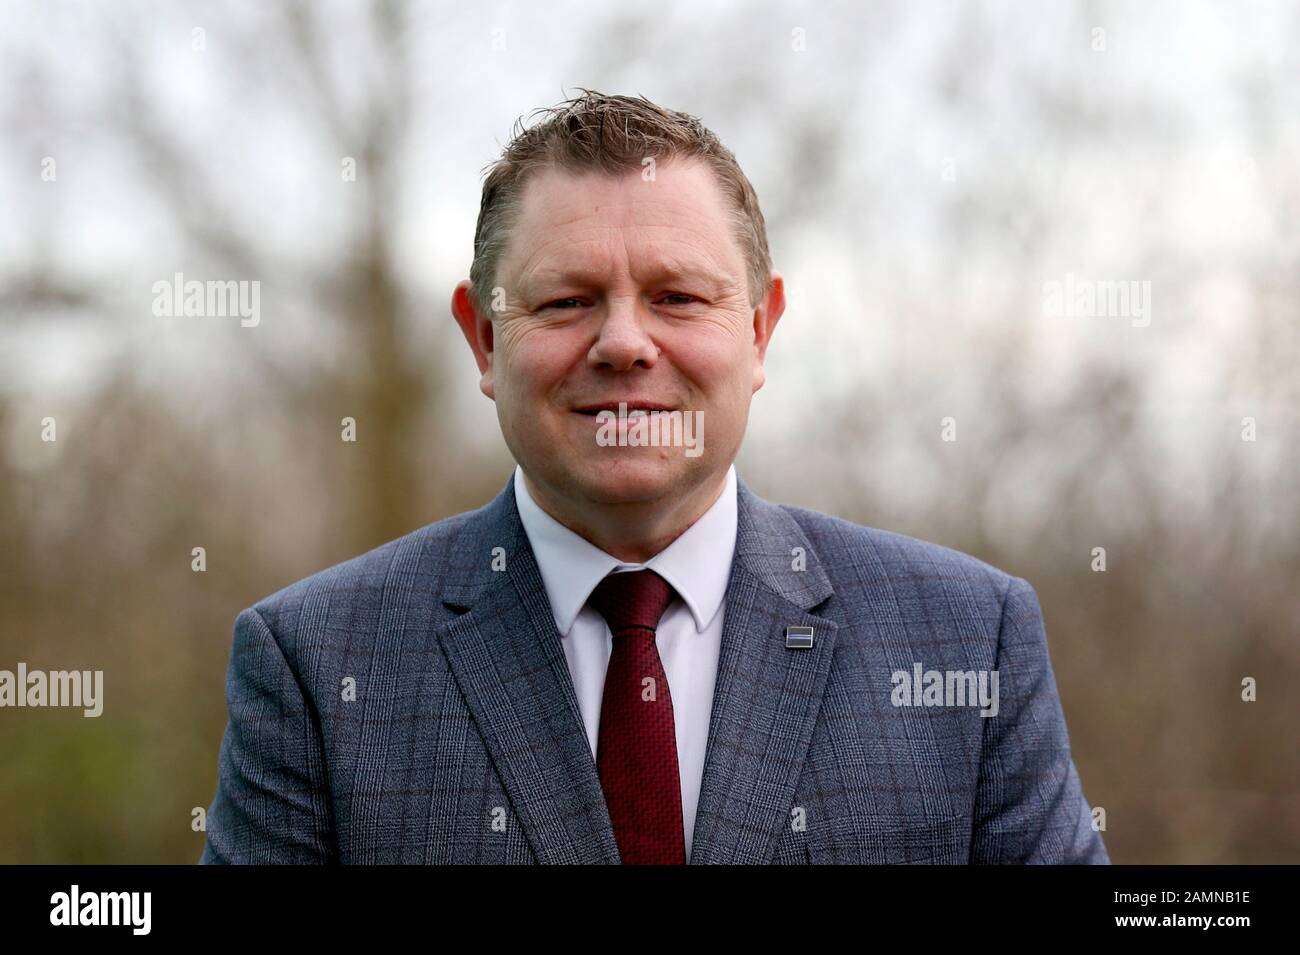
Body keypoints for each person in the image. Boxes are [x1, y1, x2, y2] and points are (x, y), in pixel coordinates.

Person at [199, 90, 1108, 864]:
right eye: (565, 301)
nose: (626, 343)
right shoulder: (317, 669)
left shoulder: (964, 643)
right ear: (482, 340)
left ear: (758, 331)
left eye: (677, 296)